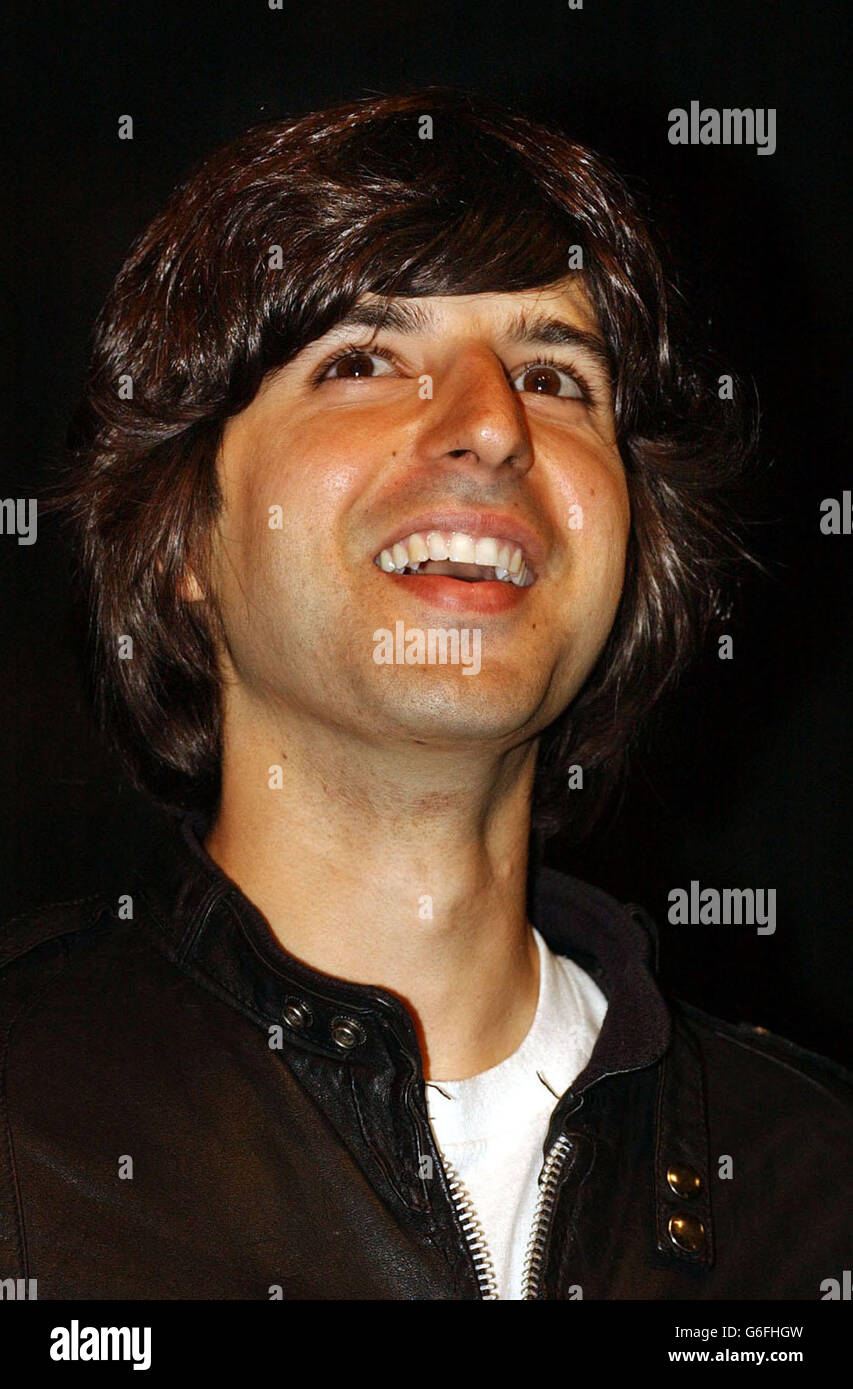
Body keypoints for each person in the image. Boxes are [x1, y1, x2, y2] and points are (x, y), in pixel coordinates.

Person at [1, 87, 850, 1301]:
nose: (491, 426)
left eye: (554, 377)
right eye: (362, 361)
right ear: (182, 535)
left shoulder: (815, 1191)